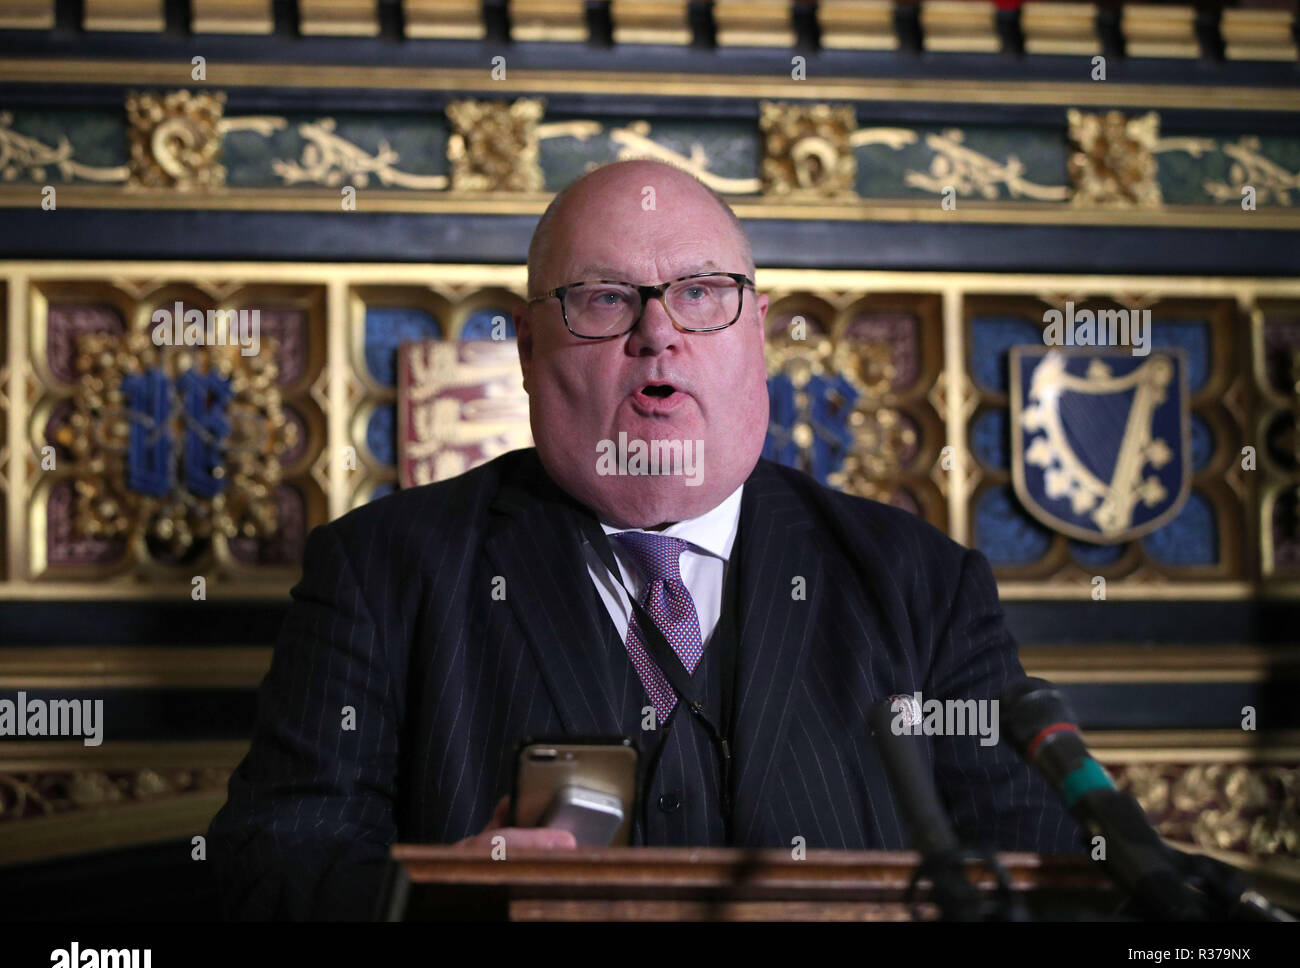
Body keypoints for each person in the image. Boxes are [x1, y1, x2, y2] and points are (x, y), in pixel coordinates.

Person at [208, 159, 1082, 920]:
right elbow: (267, 875)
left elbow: (1050, 873)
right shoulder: (382, 571)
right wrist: (440, 903)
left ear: (758, 334)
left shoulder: (919, 583)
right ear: (525, 348)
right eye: (603, 298)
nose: (657, 333)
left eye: (702, 294)